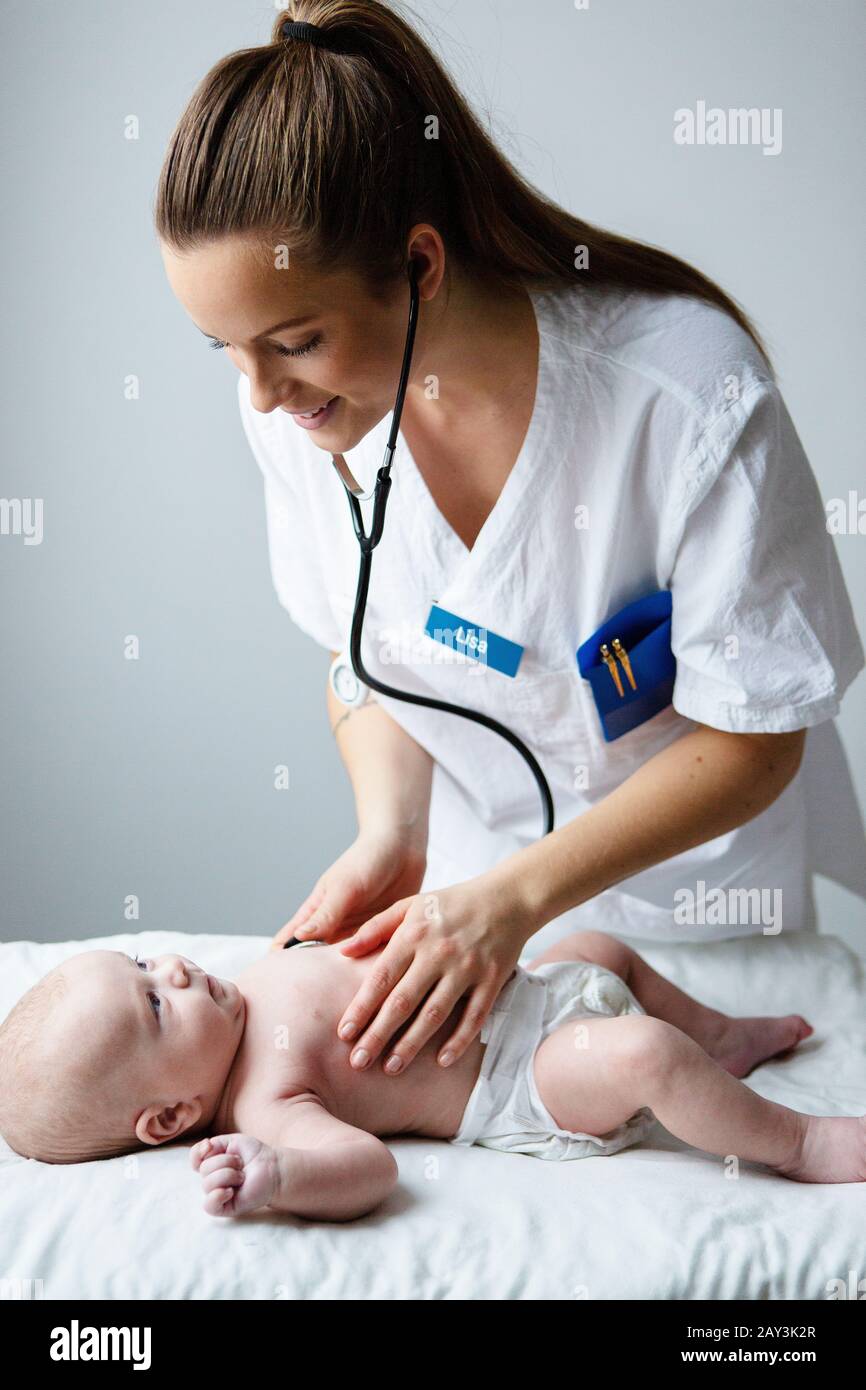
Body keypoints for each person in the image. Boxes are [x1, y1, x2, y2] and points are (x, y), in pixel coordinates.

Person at [154, 3, 865, 1084]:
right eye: (228, 350)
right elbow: (362, 657)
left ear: (421, 264)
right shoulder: (302, 413)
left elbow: (757, 736)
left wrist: (521, 893)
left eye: (294, 341)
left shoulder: (681, 395)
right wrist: (393, 833)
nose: (259, 394)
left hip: (709, 926)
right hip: (475, 922)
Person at [2, 935, 862, 1221]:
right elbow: (370, 1170)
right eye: (155, 1005)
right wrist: (281, 1177)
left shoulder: (251, 978)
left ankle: (724, 1036)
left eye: (147, 962)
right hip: (524, 1076)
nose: (179, 972)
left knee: (599, 950)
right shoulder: (264, 1100)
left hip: (529, 989)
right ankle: (799, 1141)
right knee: (645, 1056)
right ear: (172, 1116)